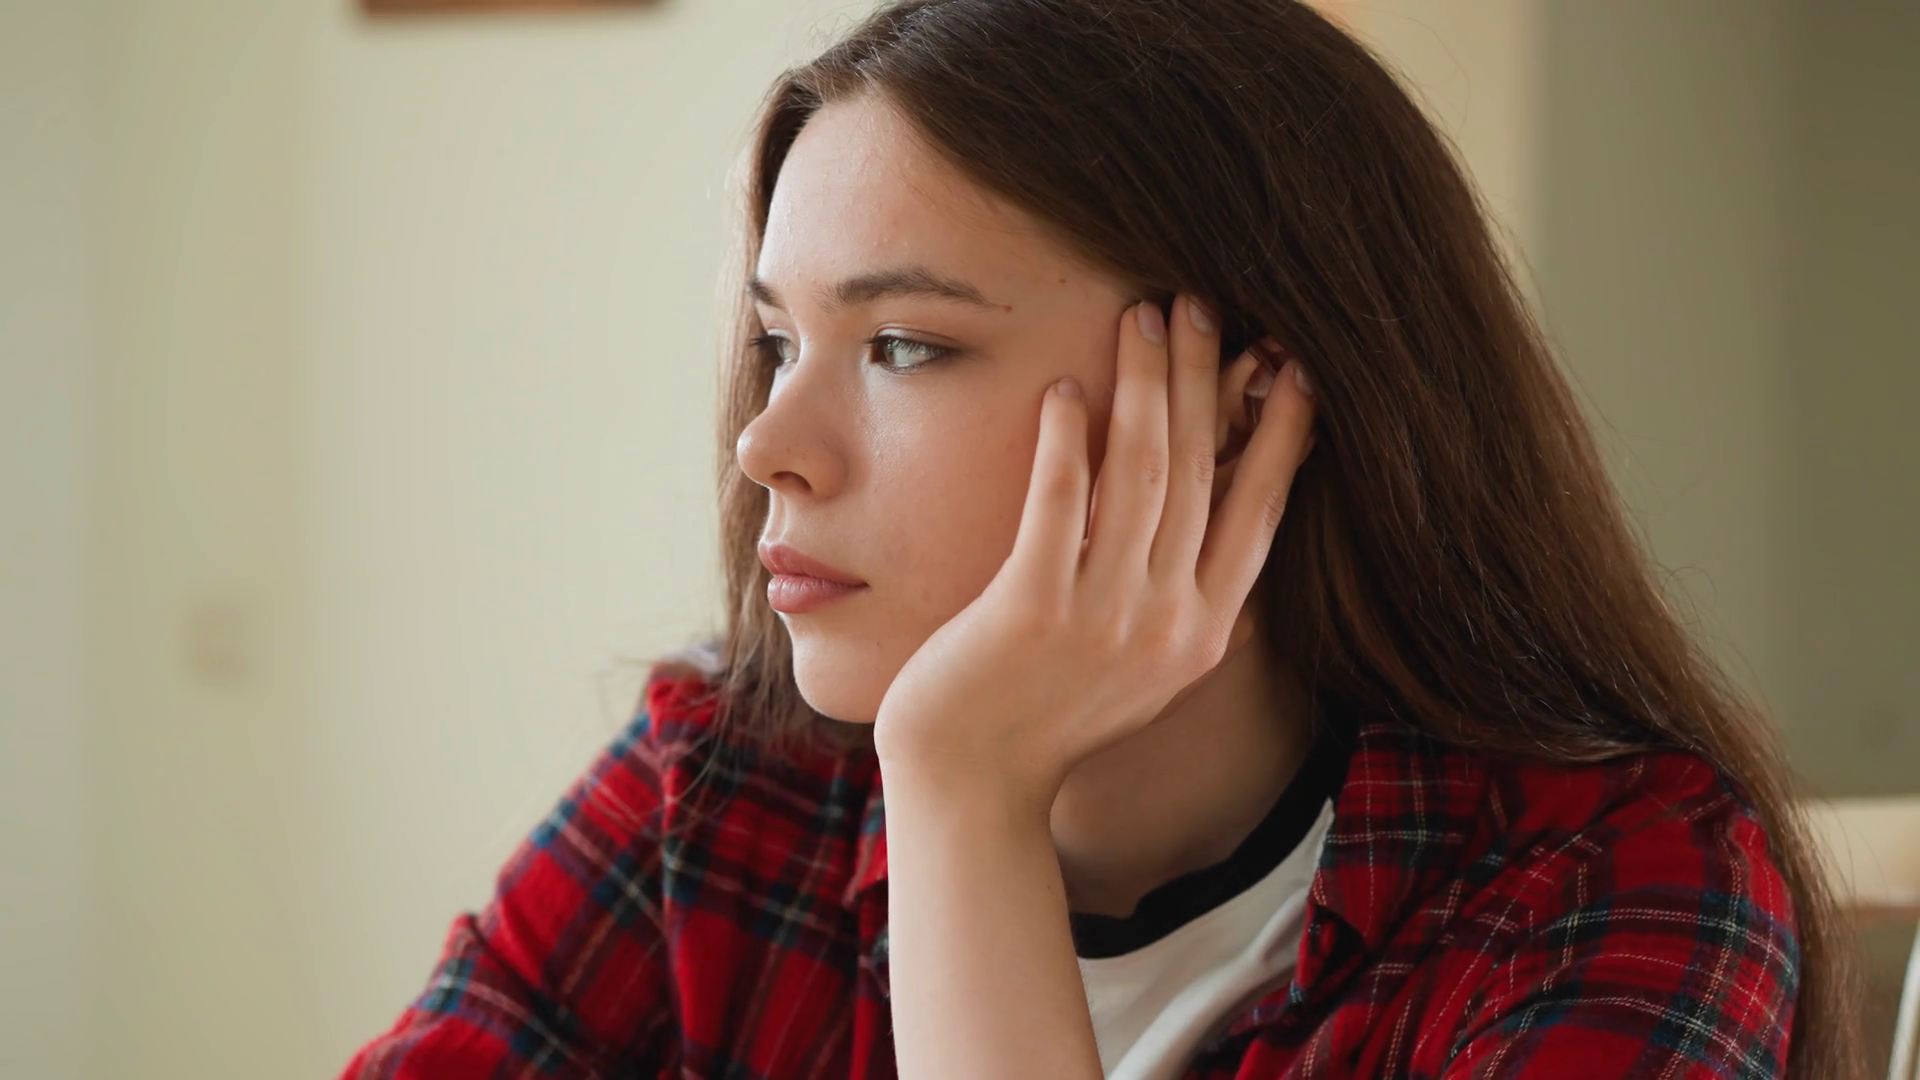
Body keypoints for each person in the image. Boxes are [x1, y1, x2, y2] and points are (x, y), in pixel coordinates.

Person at [337, 1, 1862, 1077]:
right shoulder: (720, 789)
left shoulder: (1611, 885)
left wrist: (963, 797)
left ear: (1244, 403)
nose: (767, 449)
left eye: (909, 347)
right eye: (778, 339)